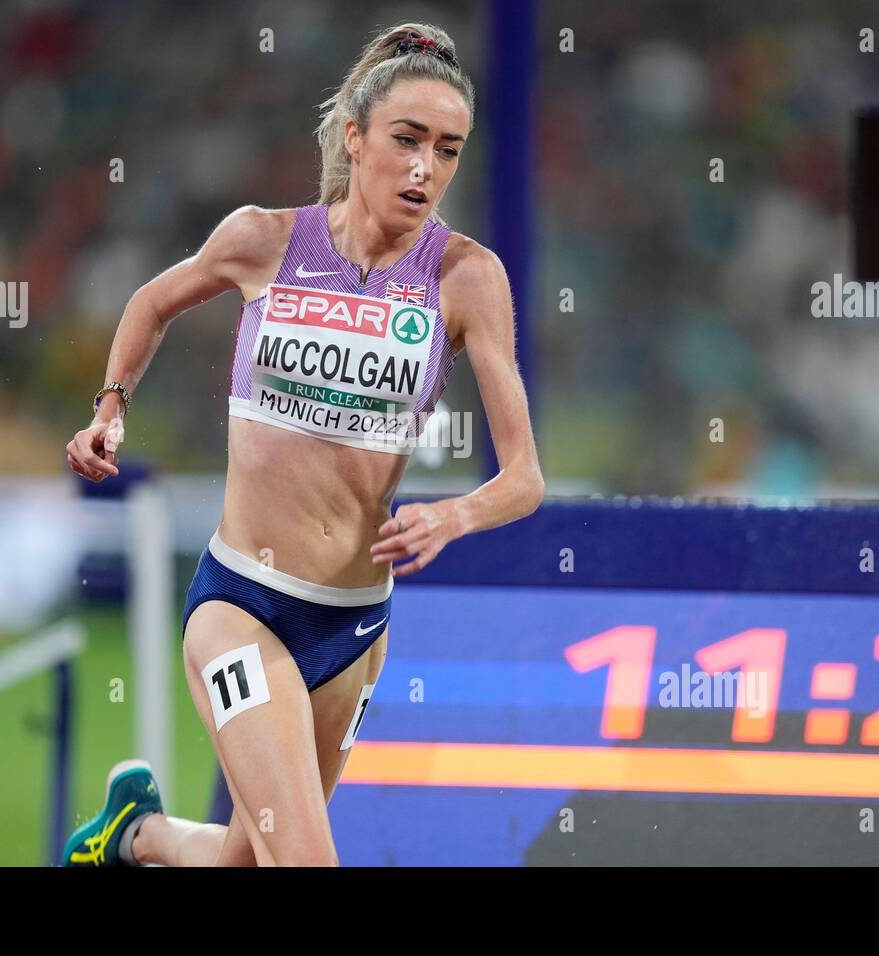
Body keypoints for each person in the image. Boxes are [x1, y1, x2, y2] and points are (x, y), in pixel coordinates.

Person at [62, 21, 543, 867]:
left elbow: (525, 478)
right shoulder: (266, 240)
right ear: (354, 138)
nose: (426, 168)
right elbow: (151, 302)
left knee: (248, 858)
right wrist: (111, 407)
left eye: (449, 149)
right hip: (241, 605)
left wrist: (454, 517)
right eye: (406, 140)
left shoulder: (466, 277)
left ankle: (133, 836)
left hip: (356, 627)